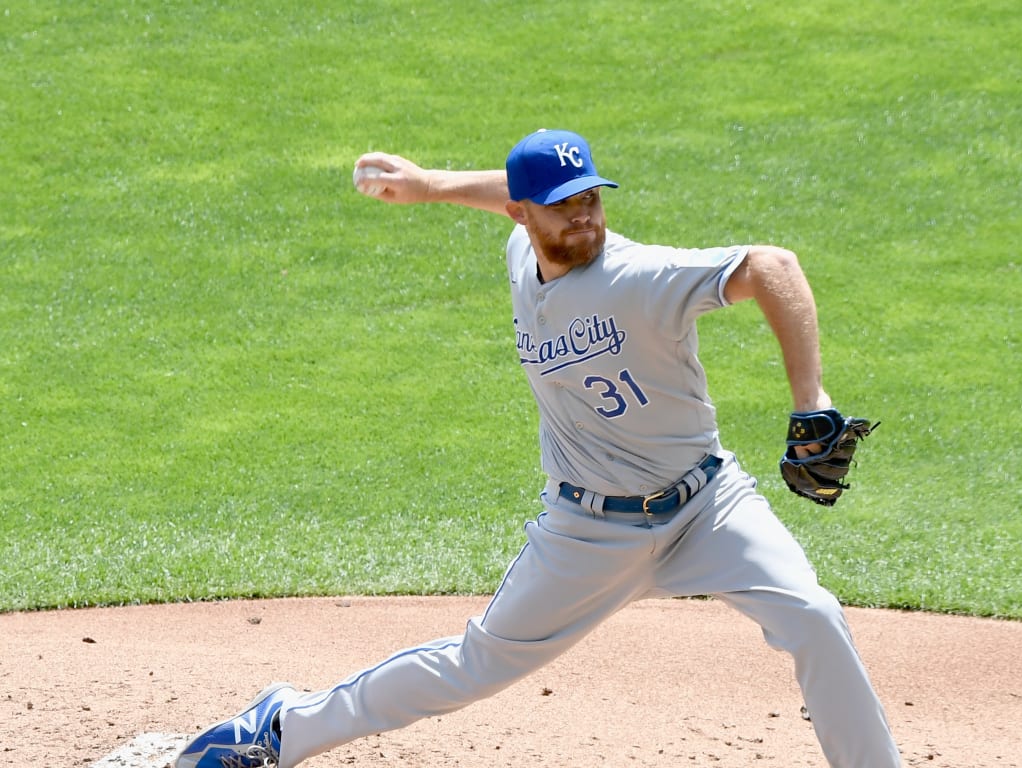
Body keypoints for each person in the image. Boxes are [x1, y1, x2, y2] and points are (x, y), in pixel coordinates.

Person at [172, 128, 903, 768]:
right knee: (474, 666)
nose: (582, 214)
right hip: (589, 532)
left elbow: (774, 266)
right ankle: (281, 727)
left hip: (708, 506)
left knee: (813, 616)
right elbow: (509, 193)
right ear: (524, 216)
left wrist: (812, 401)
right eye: (561, 204)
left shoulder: (639, 276)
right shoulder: (522, 253)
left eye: (590, 197)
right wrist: (429, 187)